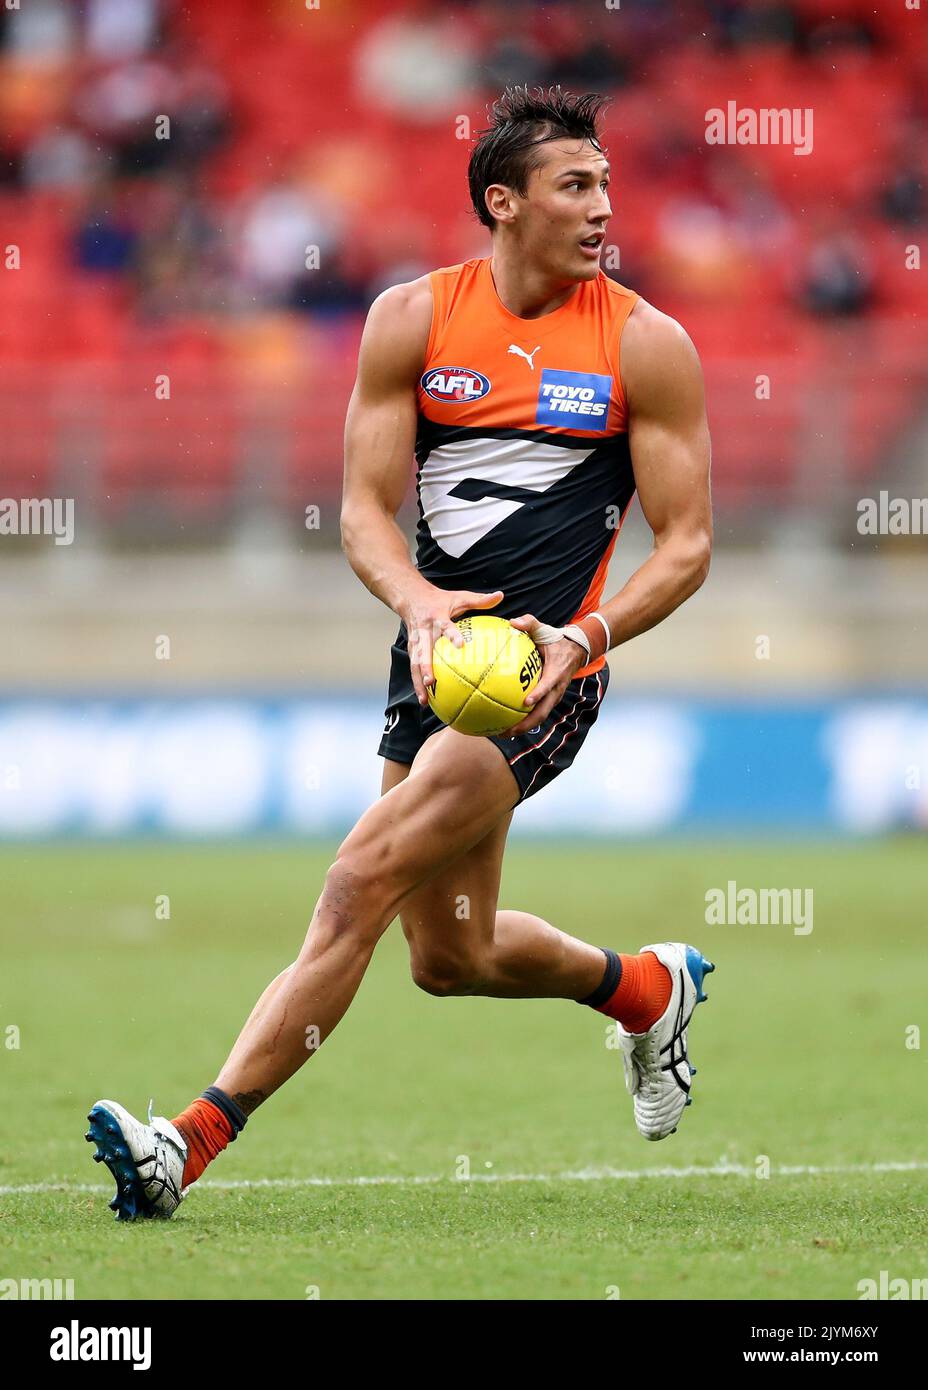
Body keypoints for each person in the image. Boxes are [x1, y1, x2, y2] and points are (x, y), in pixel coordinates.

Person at [86, 86, 715, 1221]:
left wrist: (582, 638)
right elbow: (365, 511)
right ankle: (646, 987)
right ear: (501, 201)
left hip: (540, 679)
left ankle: (186, 1140)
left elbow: (689, 546)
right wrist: (419, 601)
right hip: (431, 659)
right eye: (575, 186)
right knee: (449, 955)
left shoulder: (643, 344)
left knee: (355, 879)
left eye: (606, 185)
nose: (601, 208)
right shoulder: (412, 322)